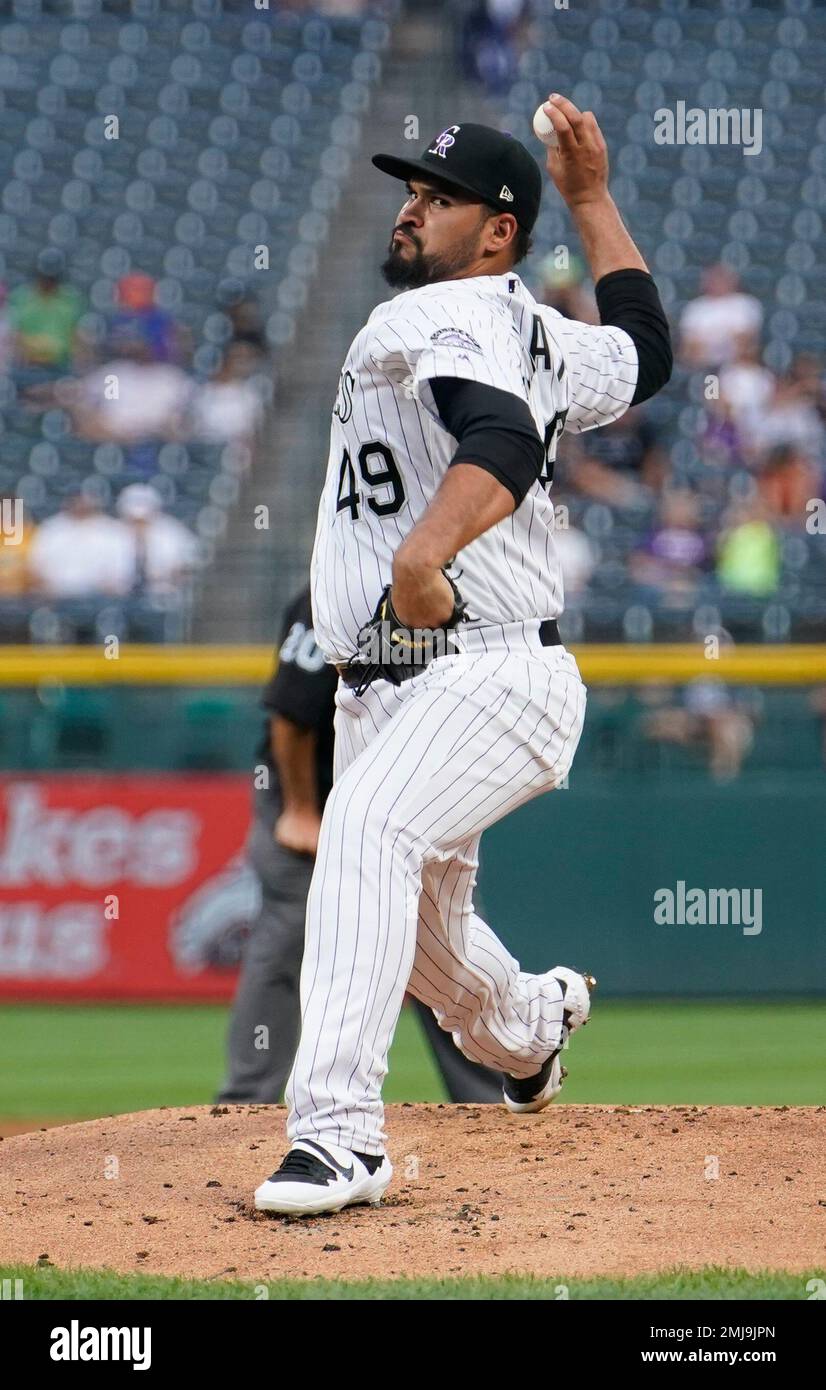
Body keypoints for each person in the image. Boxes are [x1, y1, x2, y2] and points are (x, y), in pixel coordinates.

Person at [254, 97, 672, 1217]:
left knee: (364, 828)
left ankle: (338, 1138)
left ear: (495, 230)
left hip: (484, 666)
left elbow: (491, 432)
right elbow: (643, 347)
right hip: (395, 687)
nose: (410, 209)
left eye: (436, 199)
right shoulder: (535, 331)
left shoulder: (446, 319)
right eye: (408, 191)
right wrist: (589, 197)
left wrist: (423, 554)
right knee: (436, 959)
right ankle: (533, 1027)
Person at [217, 586, 502, 1107]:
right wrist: (301, 810)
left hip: (412, 801)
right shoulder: (339, 589)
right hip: (312, 798)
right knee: (289, 936)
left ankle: (489, 1101)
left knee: (450, 942)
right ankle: (242, 1105)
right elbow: (292, 711)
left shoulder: (470, 592)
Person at [7, 250, 84, 378]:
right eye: (45, 278)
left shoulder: (70, 300)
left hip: (60, 365)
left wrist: (80, 364)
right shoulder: (21, 298)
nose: (48, 283)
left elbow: (77, 336)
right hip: (26, 364)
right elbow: (13, 334)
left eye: (52, 279)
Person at [115, 484, 199, 595]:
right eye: (135, 521)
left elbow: (193, 562)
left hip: (164, 595)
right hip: (119, 596)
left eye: (144, 521)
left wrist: (175, 572)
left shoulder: (173, 532)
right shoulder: (108, 533)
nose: (139, 525)